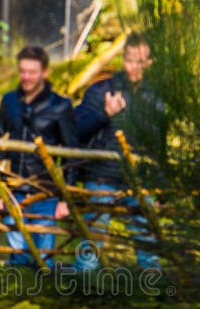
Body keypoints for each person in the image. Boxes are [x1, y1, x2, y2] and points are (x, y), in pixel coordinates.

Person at [73, 33, 166, 271]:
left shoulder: (155, 98)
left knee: (147, 246)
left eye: (139, 61)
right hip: (102, 177)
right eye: (129, 60)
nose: (133, 67)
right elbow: (75, 131)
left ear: (149, 63)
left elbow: (159, 147)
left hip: (139, 180)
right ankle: (81, 290)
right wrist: (104, 115)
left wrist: (160, 187)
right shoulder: (100, 91)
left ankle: (150, 293)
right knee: (92, 245)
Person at [0, 45, 79, 268]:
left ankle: (44, 299)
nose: (26, 77)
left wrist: (64, 199)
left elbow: (71, 154)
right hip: (13, 190)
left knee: (44, 257)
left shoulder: (61, 106)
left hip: (45, 193)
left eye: (32, 72)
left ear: (45, 72)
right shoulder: (9, 101)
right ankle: (17, 298)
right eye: (22, 71)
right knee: (18, 256)